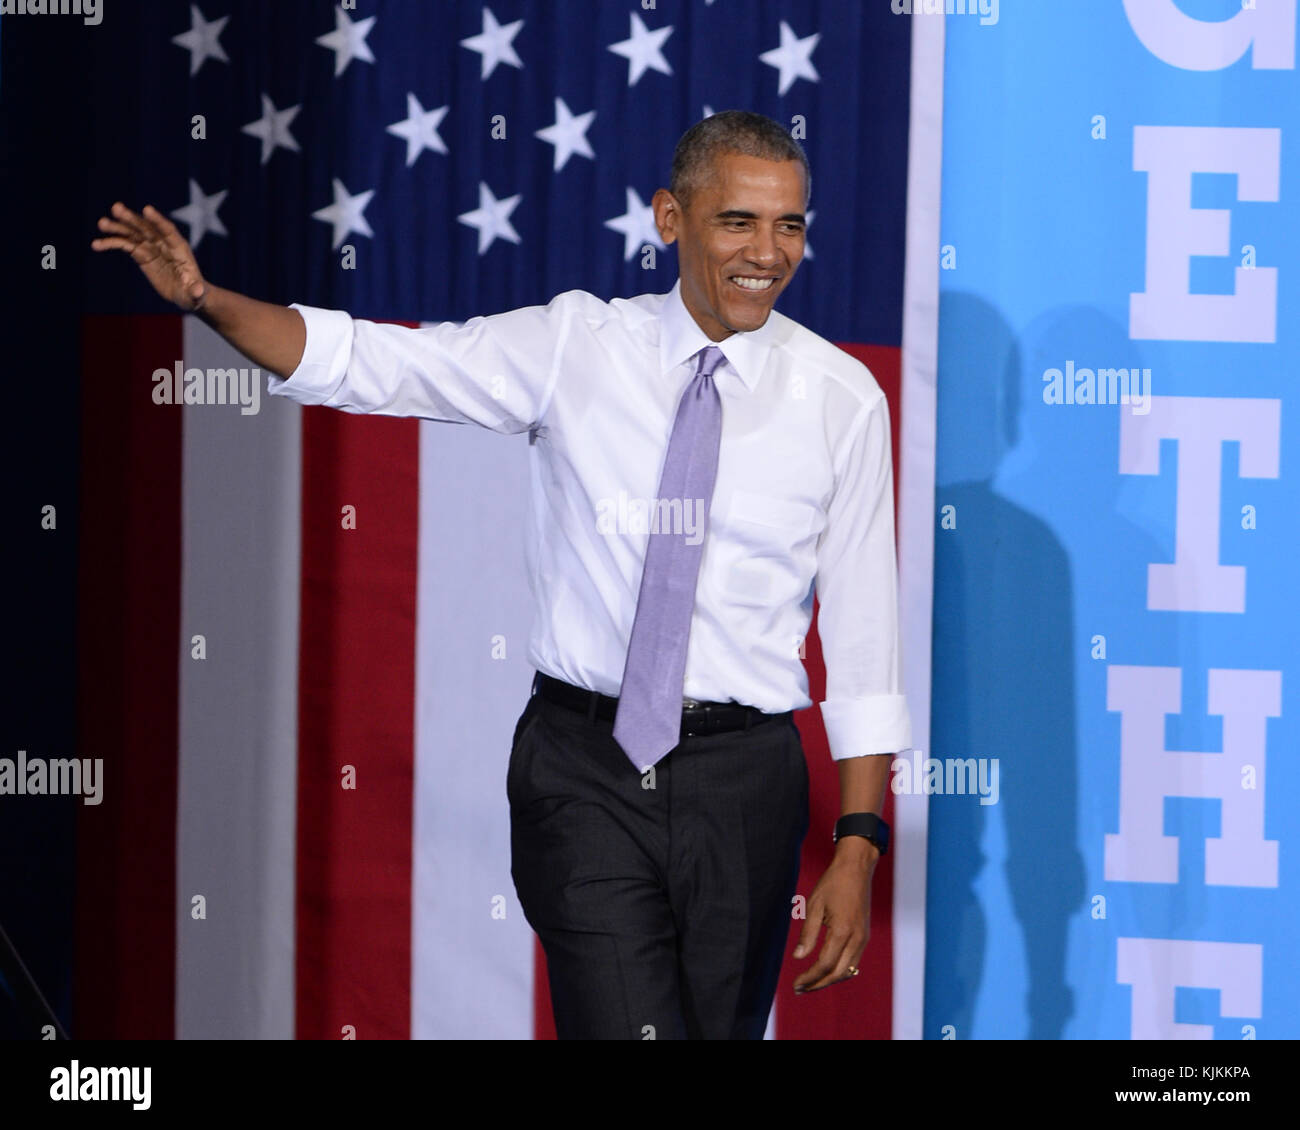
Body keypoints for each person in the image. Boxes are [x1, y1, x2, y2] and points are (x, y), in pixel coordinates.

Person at [93, 110, 911, 1040]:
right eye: (738, 222)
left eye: (790, 225)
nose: (768, 252)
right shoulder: (576, 346)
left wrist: (859, 843)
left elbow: (864, 642)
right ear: (669, 218)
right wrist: (208, 300)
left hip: (746, 786)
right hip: (584, 771)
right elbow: (380, 363)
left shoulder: (843, 399)